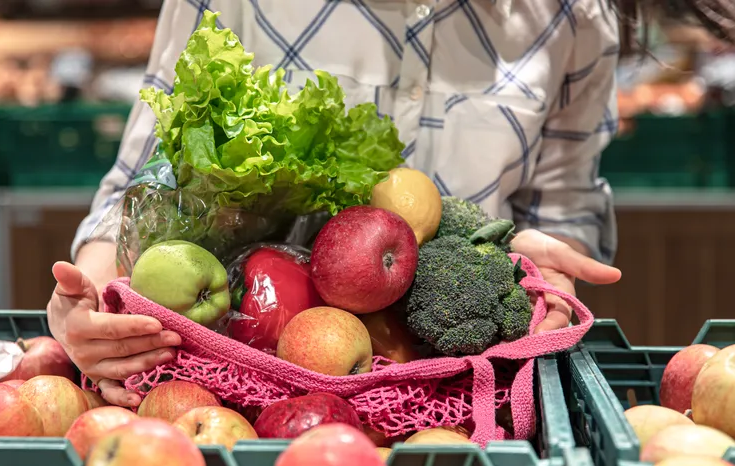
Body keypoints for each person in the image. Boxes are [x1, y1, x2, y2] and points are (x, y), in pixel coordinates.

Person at [46, 0, 732, 406]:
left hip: (467, 398)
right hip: (240, 393)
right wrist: (97, 308)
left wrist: (546, 282)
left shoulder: (572, 14)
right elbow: (134, 192)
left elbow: (564, 208)